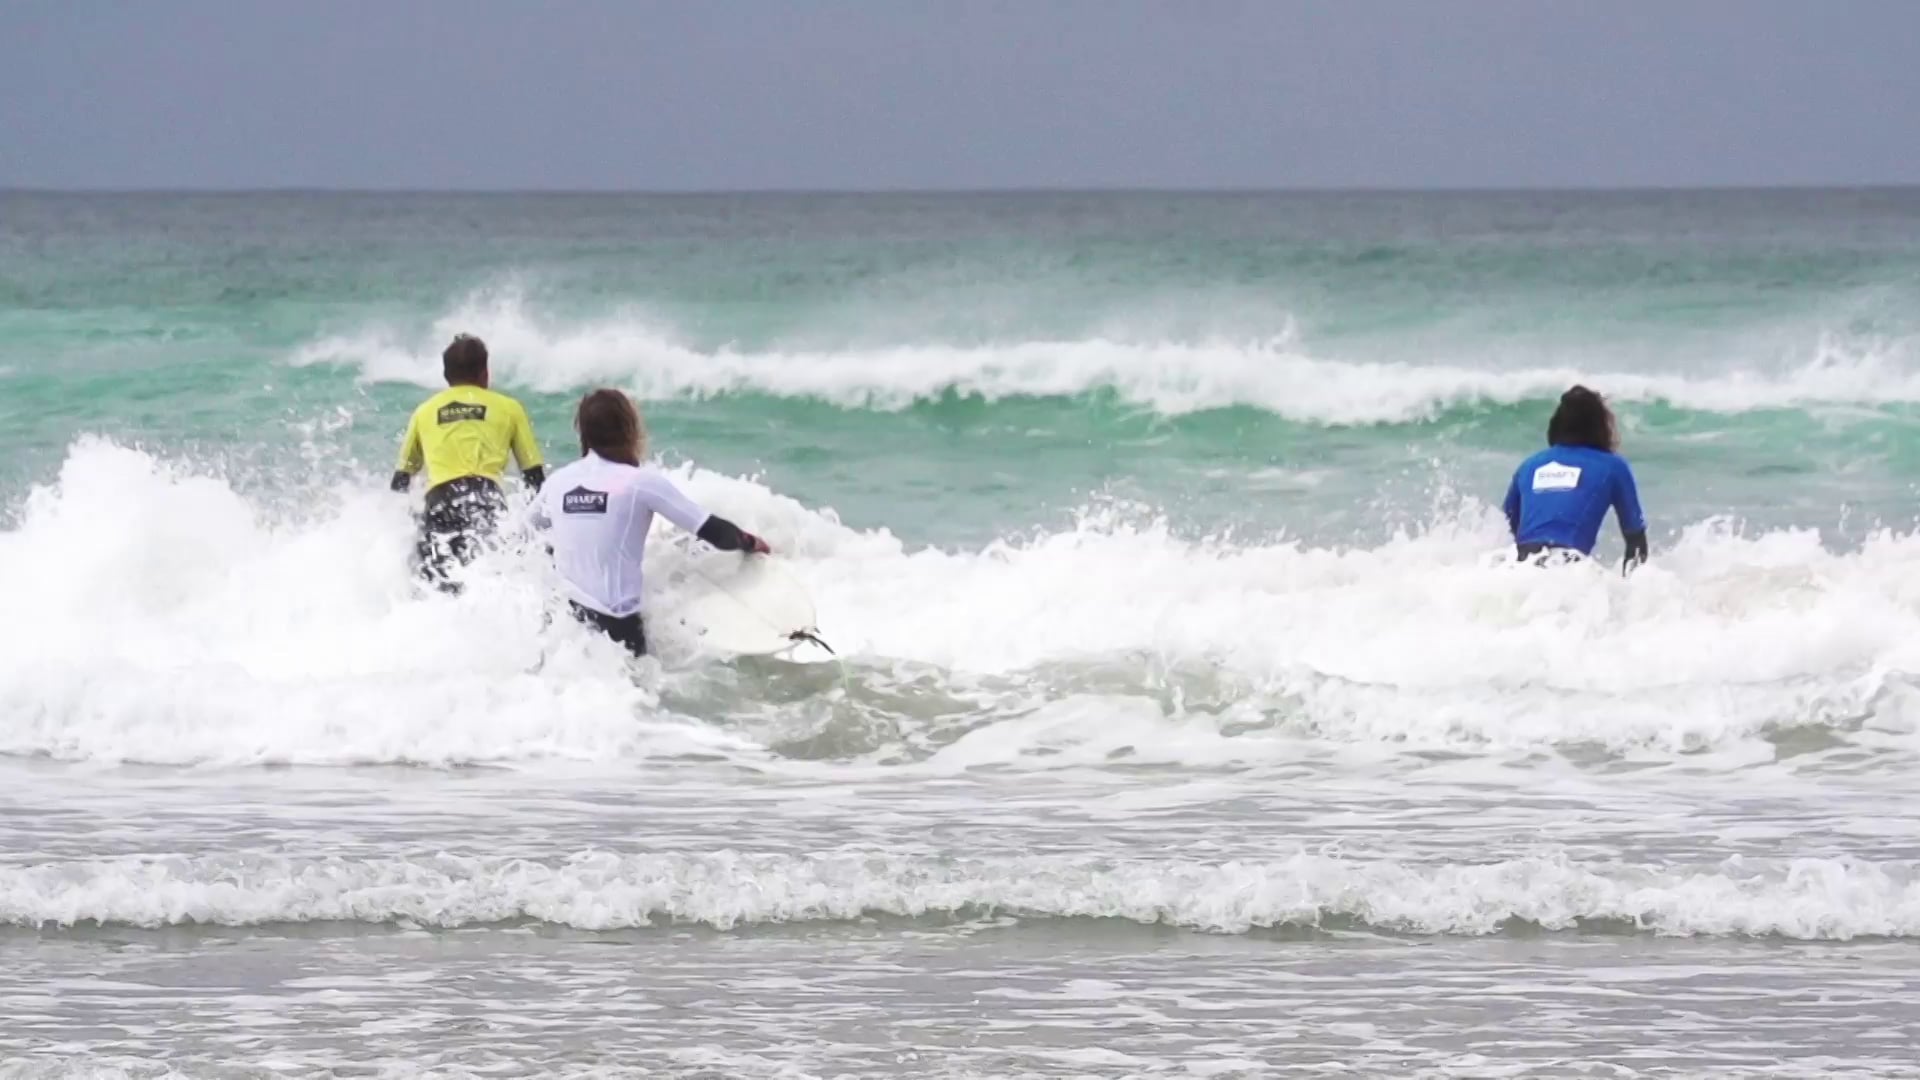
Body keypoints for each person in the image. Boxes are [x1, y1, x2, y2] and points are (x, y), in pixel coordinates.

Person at [534, 388, 770, 657]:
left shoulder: (558, 482)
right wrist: (750, 542)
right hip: (617, 631)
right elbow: (712, 530)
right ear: (629, 430)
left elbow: (523, 533)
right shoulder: (639, 483)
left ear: (583, 433)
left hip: (565, 623)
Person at [391, 334, 547, 587]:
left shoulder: (424, 411)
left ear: (446, 375)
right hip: (485, 499)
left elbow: (401, 480)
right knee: (490, 582)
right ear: (485, 373)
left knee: (431, 586)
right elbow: (533, 475)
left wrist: (407, 521)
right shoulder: (510, 408)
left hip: (439, 502)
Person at [1503, 385, 1648, 572]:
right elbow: (1636, 542)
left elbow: (1505, 527)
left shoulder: (1529, 466)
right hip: (1567, 567)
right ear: (1600, 426)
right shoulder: (1613, 466)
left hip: (1520, 565)